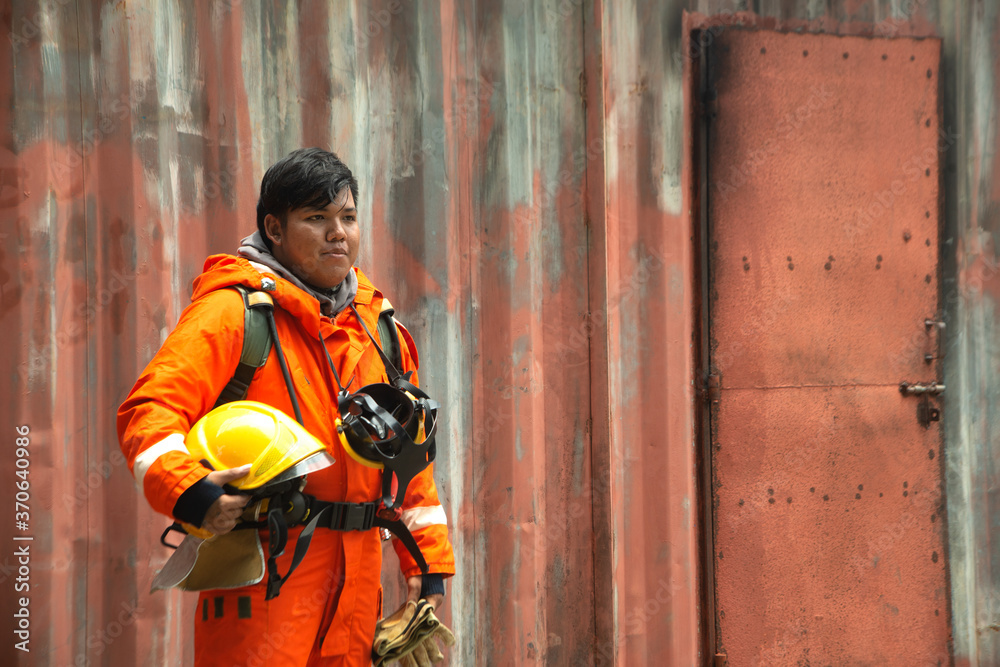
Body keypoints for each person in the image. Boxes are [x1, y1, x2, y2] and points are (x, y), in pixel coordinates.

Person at [118, 148, 455, 666]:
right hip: (266, 586)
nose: (337, 233)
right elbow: (149, 410)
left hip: (358, 593)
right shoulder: (232, 312)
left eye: (347, 217)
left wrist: (427, 567)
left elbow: (407, 457)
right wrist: (189, 490)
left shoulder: (376, 327)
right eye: (316, 218)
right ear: (274, 229)